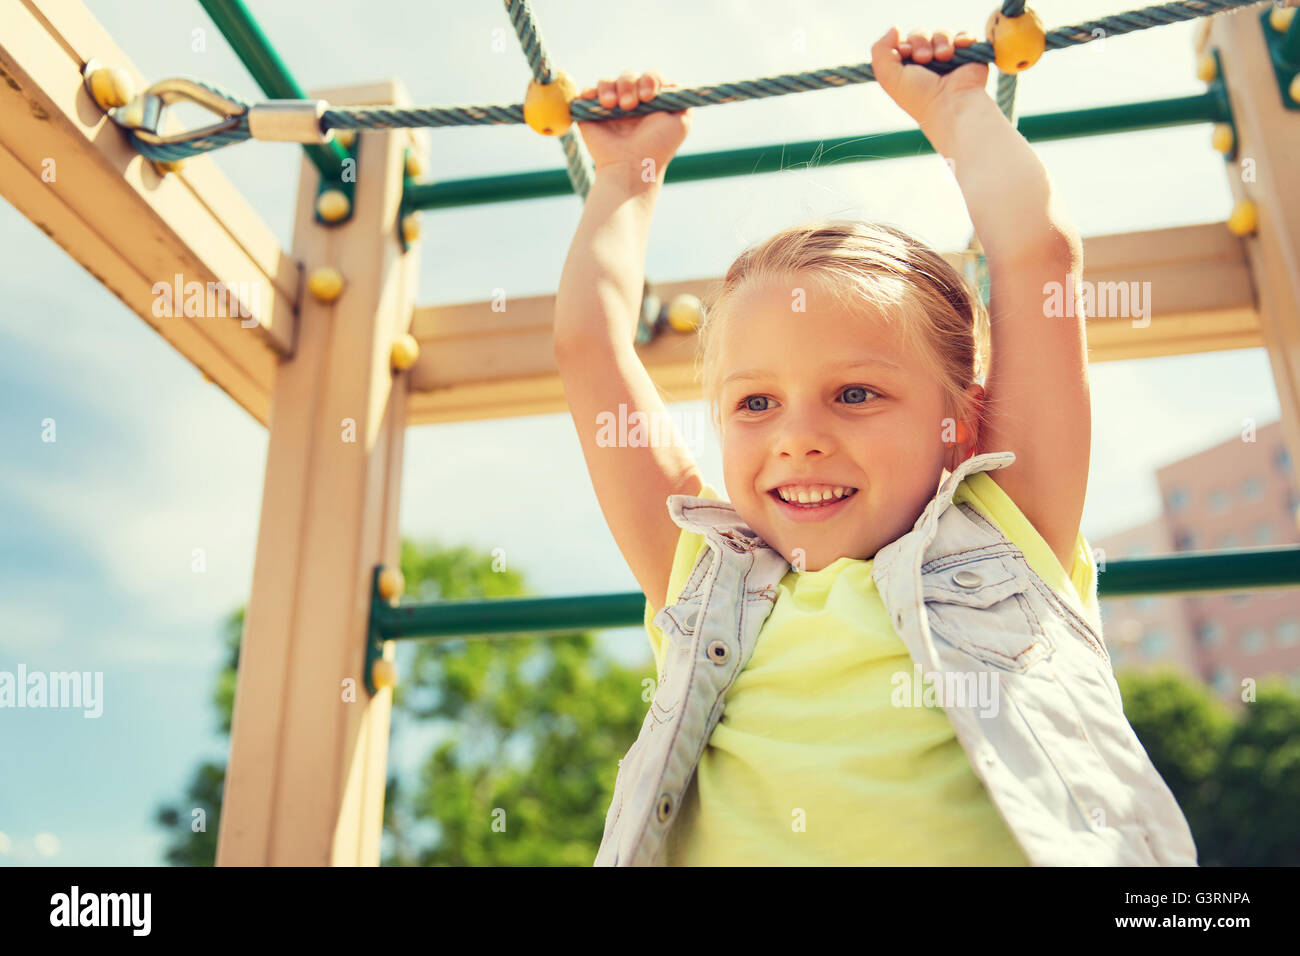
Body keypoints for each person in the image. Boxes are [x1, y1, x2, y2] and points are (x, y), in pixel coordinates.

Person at [553, 26, 1197, 866]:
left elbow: (1038, 260)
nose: (799, 439)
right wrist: (625, 176)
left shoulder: (1007, 533)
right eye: (755, 402)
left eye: (855, 394)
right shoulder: (704, 580)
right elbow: (589, 351)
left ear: (960, 421)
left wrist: (960, 107)